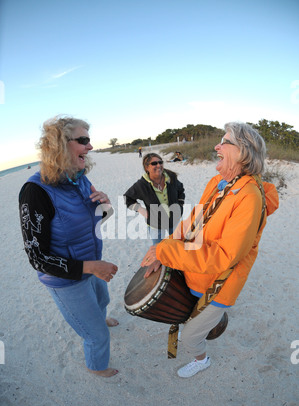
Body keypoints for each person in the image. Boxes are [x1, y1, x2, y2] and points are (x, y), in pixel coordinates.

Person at [141, 122, 279, 378]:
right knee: (189, 312)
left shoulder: (249, 197)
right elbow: (193, 220)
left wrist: (166, 251)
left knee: (192, 336)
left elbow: (224, 257)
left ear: (243, 151)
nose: (217, 146)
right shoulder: (219, 182)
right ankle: (210, 322)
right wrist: (164, 248)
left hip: (219, 283)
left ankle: (201, 359)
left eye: (224, 141)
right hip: (195, 271)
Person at [19, 116, 119, 378]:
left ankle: (99, 317)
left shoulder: (80, 178)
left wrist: (106, 206)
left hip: (91, 265)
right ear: (59, 145)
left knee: (103, 300)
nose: (90, 147)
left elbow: (97, 220)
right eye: (83, 140)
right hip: (67, 279)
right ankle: (97, 367)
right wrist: (91, 267)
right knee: (97, 335)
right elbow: (37, 257)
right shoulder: (35, 191)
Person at [124, 153, 185, 244]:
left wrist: (180, 205)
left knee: (178, 246)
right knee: (158, 250)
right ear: (147, 168)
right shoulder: (141, 185)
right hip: (155, 224)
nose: (158, 165)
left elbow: (180, 189)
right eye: (154, 163)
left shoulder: (170, 178)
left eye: (160, 162)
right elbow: (127, 198)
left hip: (174, 220)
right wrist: (141, 210)